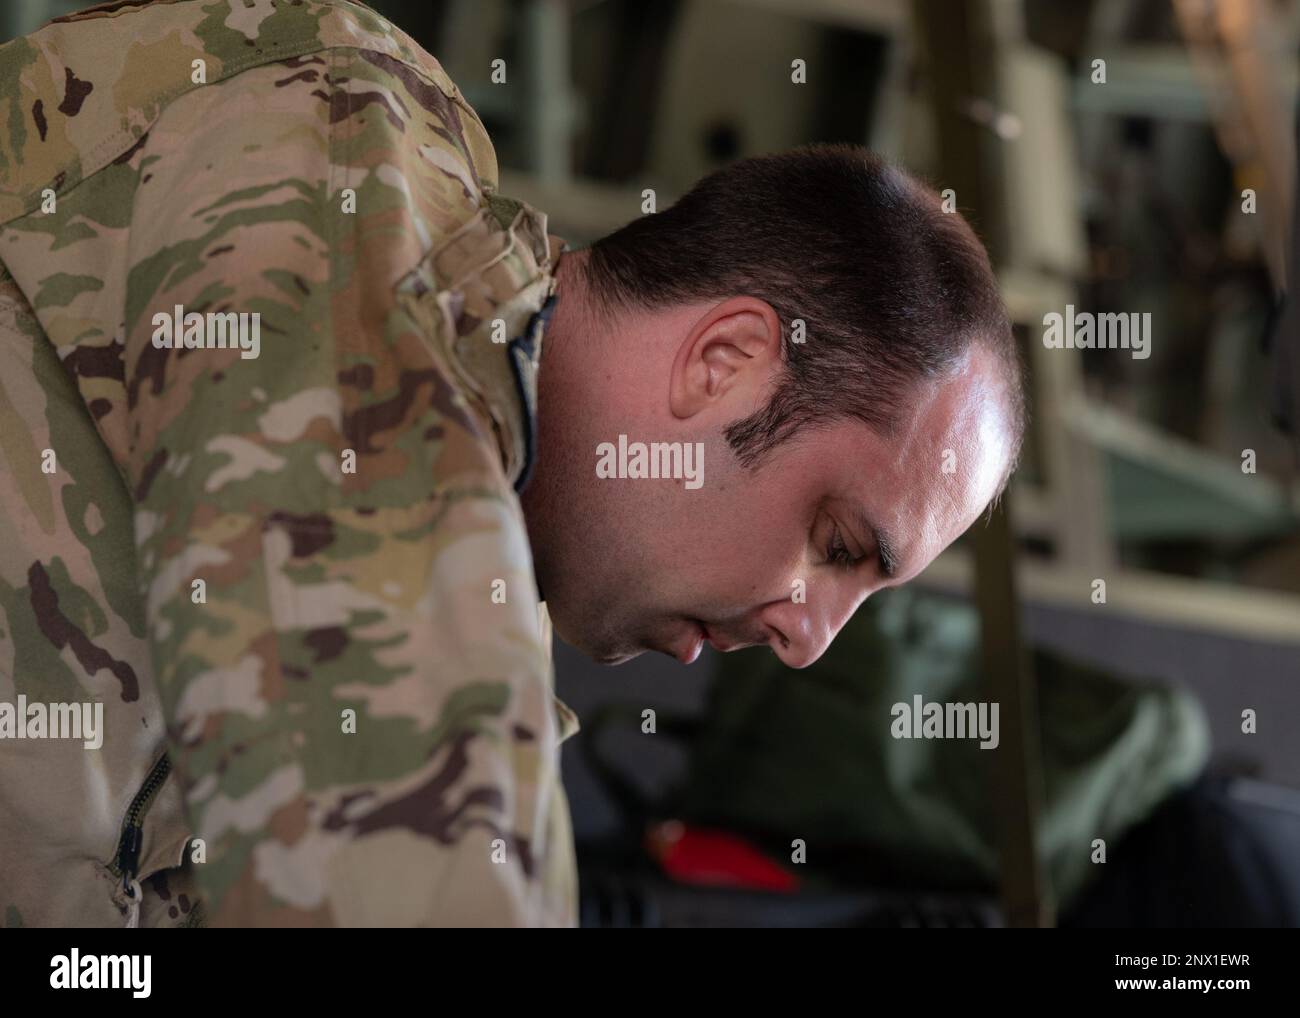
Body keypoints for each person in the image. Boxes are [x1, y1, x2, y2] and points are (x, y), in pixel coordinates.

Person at [0, 0, 1022, 927]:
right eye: (835, 541)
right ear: (727, 364)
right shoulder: (345, 146)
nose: (807, 641)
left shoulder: (497, 633)